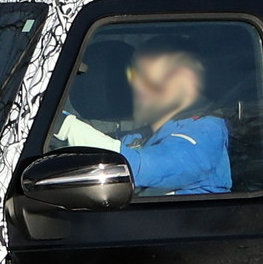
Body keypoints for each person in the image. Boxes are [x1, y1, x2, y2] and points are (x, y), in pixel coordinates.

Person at [58, 40, 231, 196]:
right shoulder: (147, 133)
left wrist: (65, 126)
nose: (133, 82)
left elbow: (134, 167)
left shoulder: (205, 134)